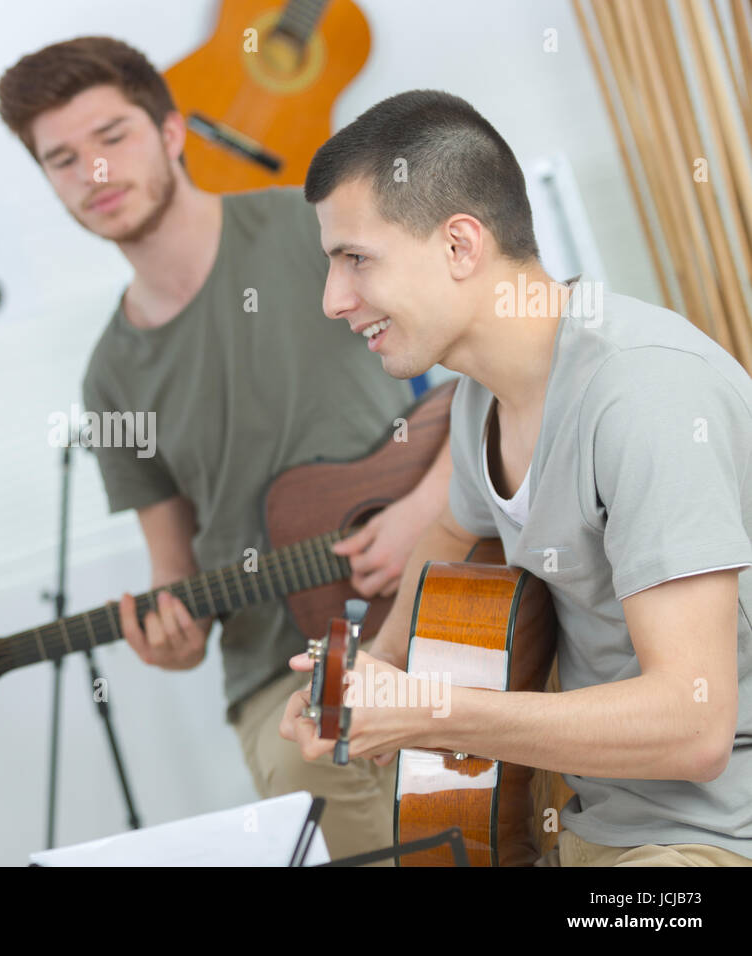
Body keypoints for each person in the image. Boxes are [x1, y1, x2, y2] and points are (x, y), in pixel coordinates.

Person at [0, 37, 452, 862]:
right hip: (284, 667)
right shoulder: (109, 381)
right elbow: (173, 573)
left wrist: (427, 507)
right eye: (61, 159)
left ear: (172, 132)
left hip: (446, 591)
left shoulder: (314, 227)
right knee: (319, 768)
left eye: (112, 137)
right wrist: (170, 640)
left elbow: (501, 361)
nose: (94, 172)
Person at [280, 89, 752, 866]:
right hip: (599, 830)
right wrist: (377, 666)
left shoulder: (647, 394)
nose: (334, 300)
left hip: (717, 842)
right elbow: (447, 531)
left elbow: (694, 728)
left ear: (460, 245)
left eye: (355, 259)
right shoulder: (482, 401)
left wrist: (428, 712)